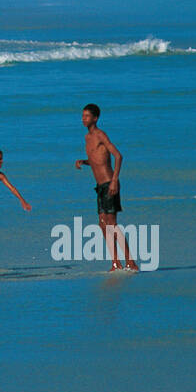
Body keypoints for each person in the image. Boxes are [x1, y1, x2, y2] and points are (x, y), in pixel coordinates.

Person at [73, 104, 138, 272]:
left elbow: (118, 156)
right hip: (100, 186)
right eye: (82, 116)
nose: (83, 119)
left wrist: (115, 181)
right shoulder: (87, 138)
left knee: (112, 224)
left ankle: (130, 262)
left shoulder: (100, 134)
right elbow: (97, 159)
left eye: (87, 116)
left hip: (110, 184)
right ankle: (115, 263)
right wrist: (84, 161)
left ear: (95, 118)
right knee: (102, 224)